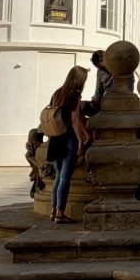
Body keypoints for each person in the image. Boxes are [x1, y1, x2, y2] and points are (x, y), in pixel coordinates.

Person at [45, 65, 90, 223]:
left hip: (56, 138)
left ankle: (53, 211)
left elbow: (60, 116)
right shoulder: (75, 95)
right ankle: (60, 214)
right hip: (69, 139)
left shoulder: (57, 92)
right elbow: (74, 120)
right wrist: (80, 141)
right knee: (65, 178)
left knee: (58, 177)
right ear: (79, 80)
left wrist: (85, 132)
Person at [84, 49, 112, 117]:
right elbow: (99, 90)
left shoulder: (118, 68)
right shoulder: (100, 70)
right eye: (99, 68)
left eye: (103, 68)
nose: (102, 70)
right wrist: (94, 101)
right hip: (103, 103)